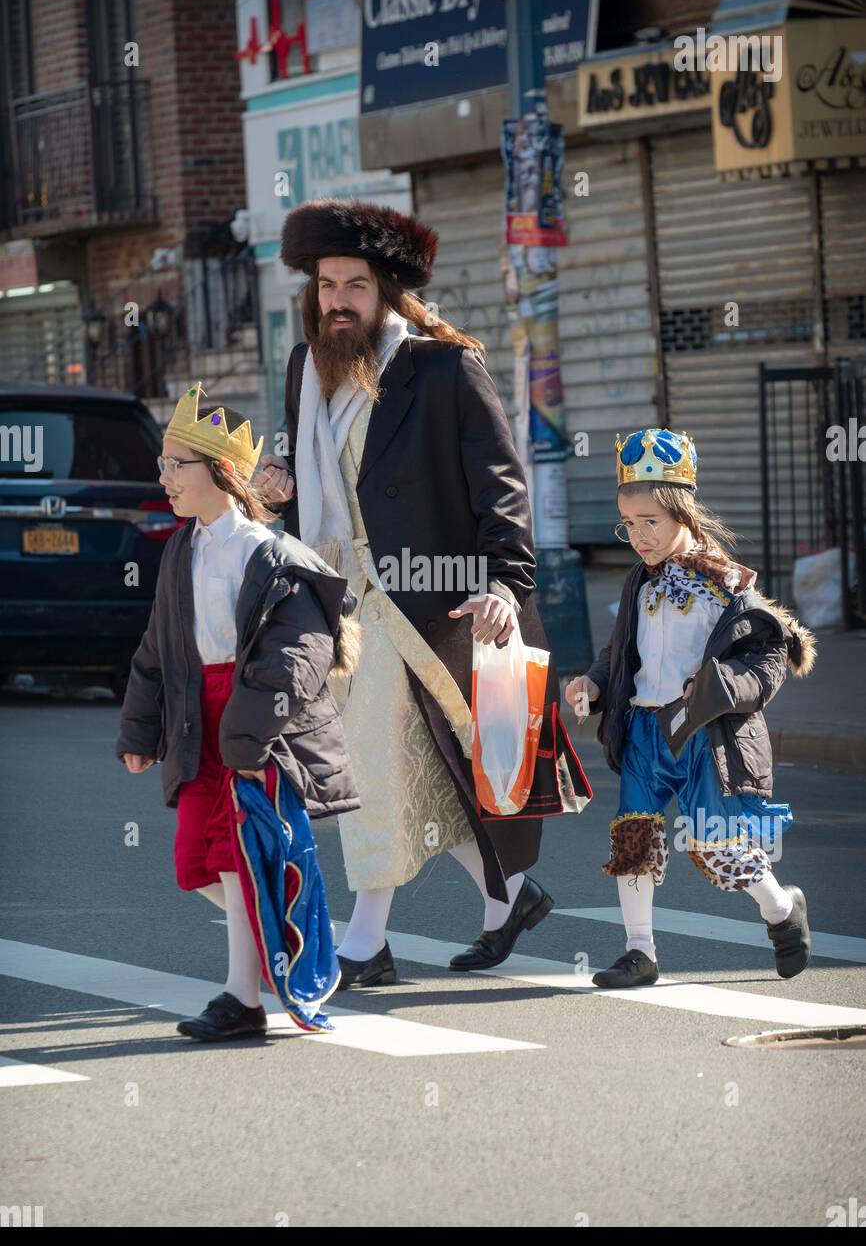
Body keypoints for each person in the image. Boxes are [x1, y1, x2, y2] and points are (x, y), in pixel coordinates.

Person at [258, 197, 591, 987]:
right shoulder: (309, 368)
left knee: (371, 765)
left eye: (355, 286)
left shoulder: (443, 367)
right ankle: (507, 898)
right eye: (327, 285)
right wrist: (276, 494)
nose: (337, 300)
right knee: (426, 769)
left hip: (430, 603)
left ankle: (364, 944)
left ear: (387, 294)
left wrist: (508, 581)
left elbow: (502, 487)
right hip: (344, 601)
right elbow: (322, 492)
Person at [117, 383, 361, 1039]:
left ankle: (242, 998)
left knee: (237, 853)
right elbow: (157, 649)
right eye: (161, 465)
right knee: (198, 860)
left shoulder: (269, 554)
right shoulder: (181, 549)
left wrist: (251, 737)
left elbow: (294, 656)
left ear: (221, 473)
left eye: (176, 465)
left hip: (254, 725)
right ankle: (286, 925)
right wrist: (142, 728)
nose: (163, 478)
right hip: (200, 720)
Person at [565, 427, 817, 989]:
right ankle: (639, 952)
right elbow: (619, 650)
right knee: (633, 839)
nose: (638, 536)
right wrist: (593, 684)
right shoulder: (637, 581)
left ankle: (780, 908)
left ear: (683, 513)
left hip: (704, 735)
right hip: (643, 733)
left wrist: (721, 684)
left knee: (718, 845)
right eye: (628, 525)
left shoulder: (726, 584)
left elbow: (768, 657)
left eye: (649, 522)